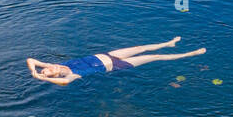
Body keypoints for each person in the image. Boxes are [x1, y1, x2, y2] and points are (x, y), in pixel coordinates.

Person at [27, 37, 205, 85]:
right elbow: (64, 82)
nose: (47, 68)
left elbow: (30, 59)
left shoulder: (53, 66)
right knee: (155, 57)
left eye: (46, 69)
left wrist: (35, 72)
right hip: (116, 65)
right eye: (47, 71)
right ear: (54, 74)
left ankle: (169, 43)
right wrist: (43, 78)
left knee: (140, 47)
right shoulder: (70, 74)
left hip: (108, 54)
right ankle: (190, 54)